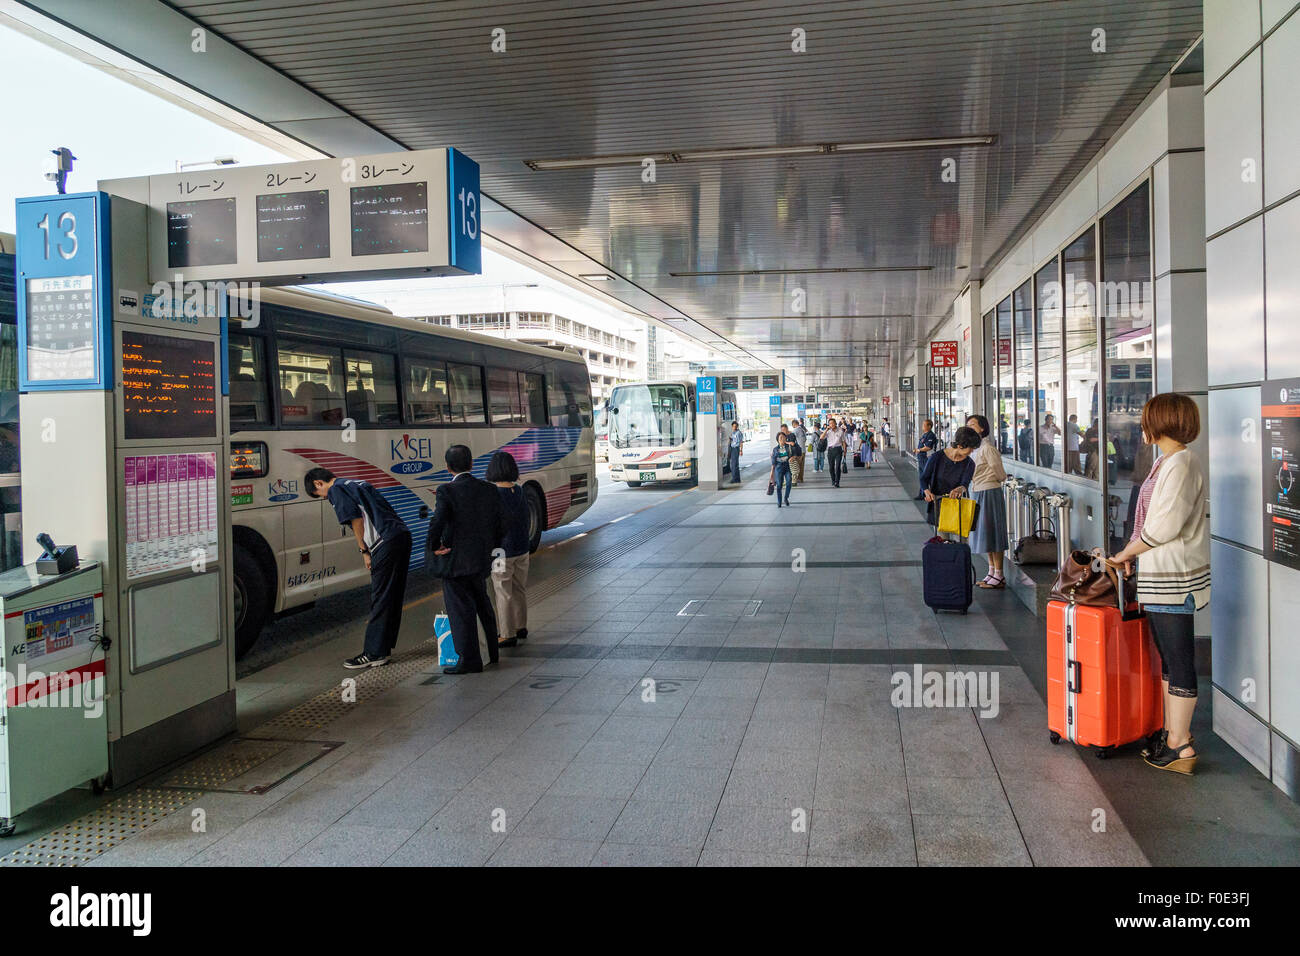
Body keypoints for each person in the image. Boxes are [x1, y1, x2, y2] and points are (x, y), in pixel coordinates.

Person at [1105, 393, 1209, 775]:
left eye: (1147, 419)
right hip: (1161, 576)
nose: (1142, 426)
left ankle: (1180, 745)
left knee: (1178, 659)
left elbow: (1163, 527)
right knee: (1169, 658)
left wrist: (1125, 553)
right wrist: (1132, 556)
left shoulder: (1181, 463)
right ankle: (1172, 734)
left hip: (1173, 578)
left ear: (1162, 423)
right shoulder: (1165, 461)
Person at [306, 466, 412, 669]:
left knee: (380, 597)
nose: (324, 498)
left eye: (319, 494)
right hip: (401, 536)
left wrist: (364, 550)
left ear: (319, 483)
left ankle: (374, 653)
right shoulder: (355, 483)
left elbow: (356, 520)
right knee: (392, 596)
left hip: (384, 542)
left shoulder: (336, 489)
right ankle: (383, 649)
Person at [426, 444, 507, 674]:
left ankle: (469, 660)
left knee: (460, 610)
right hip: (481, 560)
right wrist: (490, 547)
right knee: (482, 603)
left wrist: (433, 547)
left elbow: (438, 521)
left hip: (456, 562)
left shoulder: (446, 491)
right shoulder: (489, 489)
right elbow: (502, 523)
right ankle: (492, 653)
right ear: (471, 463)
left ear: (448, 467)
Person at [487, 451, 530, 649]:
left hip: (500, 551)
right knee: (519, 588)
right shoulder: (519, 491)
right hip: (522, 549)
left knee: (502, 591)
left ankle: (507, 634)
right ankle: (521, 627)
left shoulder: (493, 494)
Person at [965, 415, 1009, 589]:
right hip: (977, 491)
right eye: (968, 424)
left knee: (994, 532)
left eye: (973, 424)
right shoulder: (974, 448)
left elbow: (1000, 472)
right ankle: (991, 572)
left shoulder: (988, 448)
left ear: (982, 428)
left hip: (990, 491)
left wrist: (996, 479)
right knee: (986, 534)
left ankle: (999, 574)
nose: (969, 427)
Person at [920, 426, 980, 529]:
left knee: (960, 536)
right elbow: (924, 478)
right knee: (941, 537)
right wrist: (926, 491)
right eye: (970, 449)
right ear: (960, 446)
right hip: (939, 505)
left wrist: (960, 489)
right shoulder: (937, 457)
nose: (972, 452)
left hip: (959, 506)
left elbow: (965, 484)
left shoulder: (970, 464)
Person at [914, 419, 938, 500]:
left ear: (929, 426)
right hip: (921, 459)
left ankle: (932, 494)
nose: (922, 426)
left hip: (926, 459)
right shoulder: (924, 435)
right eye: (923, 424)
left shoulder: (930, 435)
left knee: (927, 476)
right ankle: (922, 494)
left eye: (924, 425)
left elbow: (928, 447)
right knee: (922, 477)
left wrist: (919, 450)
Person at [770, 431, 793, 507]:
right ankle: (779, 502)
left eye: (784, 437)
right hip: (778, 468)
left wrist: (793, 458)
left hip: (787, 467)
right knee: (779, 485)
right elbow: (773, 462)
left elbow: (795, 454)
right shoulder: (775, 449)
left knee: (789, 482)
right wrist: (772, 474)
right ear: (778, 439)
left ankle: (786, 498)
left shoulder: (788, 447)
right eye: (781, 438)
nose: (782, 439)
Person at [791, 419, 807, 486]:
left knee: (796, 465)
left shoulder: (796, 430)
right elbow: (805, 439)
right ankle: (801, 478)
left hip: (798, 451)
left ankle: (797, 479)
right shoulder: (802, 430)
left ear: (794, 424)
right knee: (801, 465)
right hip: (803, 449)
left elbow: (791, 438)